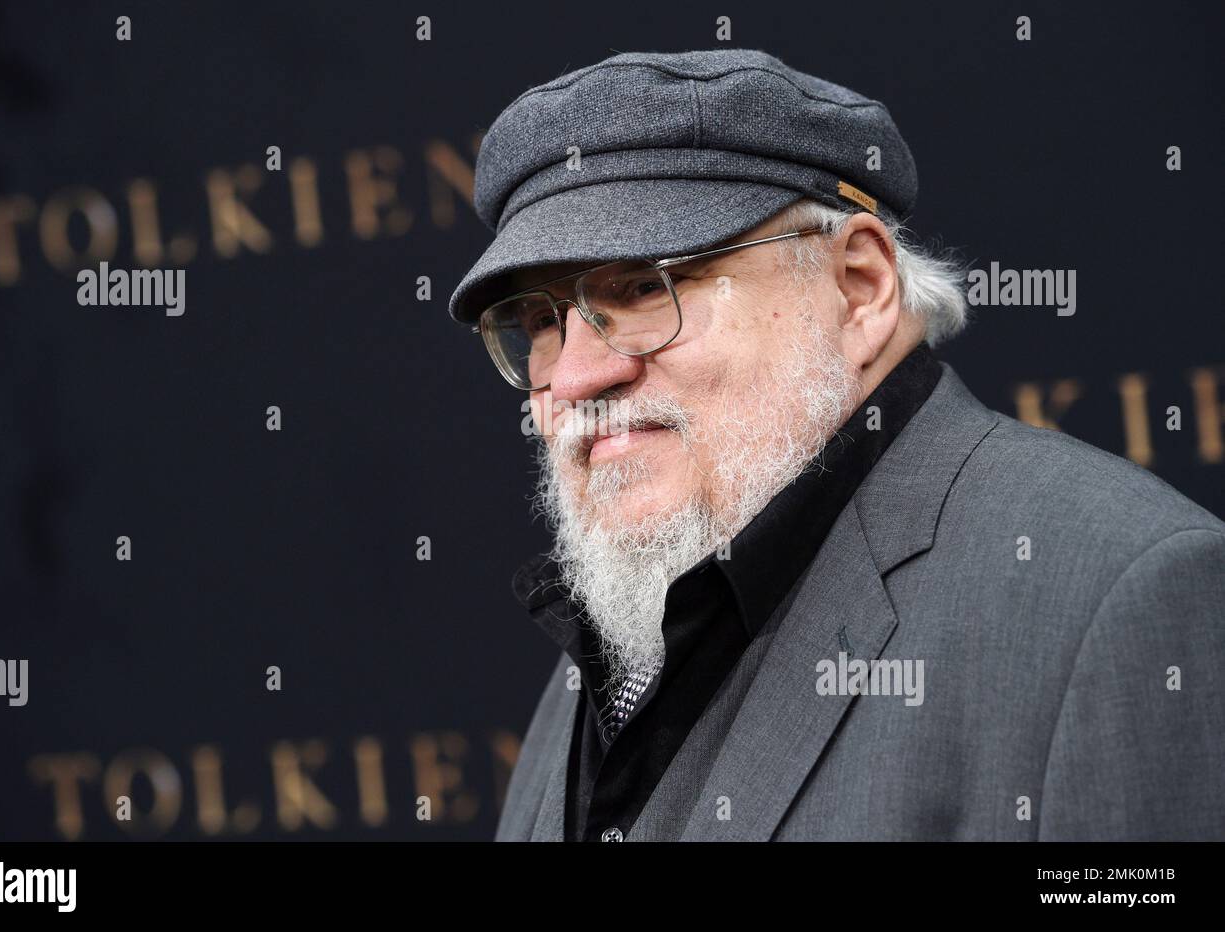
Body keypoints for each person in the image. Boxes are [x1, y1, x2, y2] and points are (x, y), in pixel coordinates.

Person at [447, 49, 1225, 841]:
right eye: (542, 322)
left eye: (647, 288)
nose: (575, 377)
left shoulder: (1116, 595)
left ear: (860, 288)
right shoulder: (628, 620)